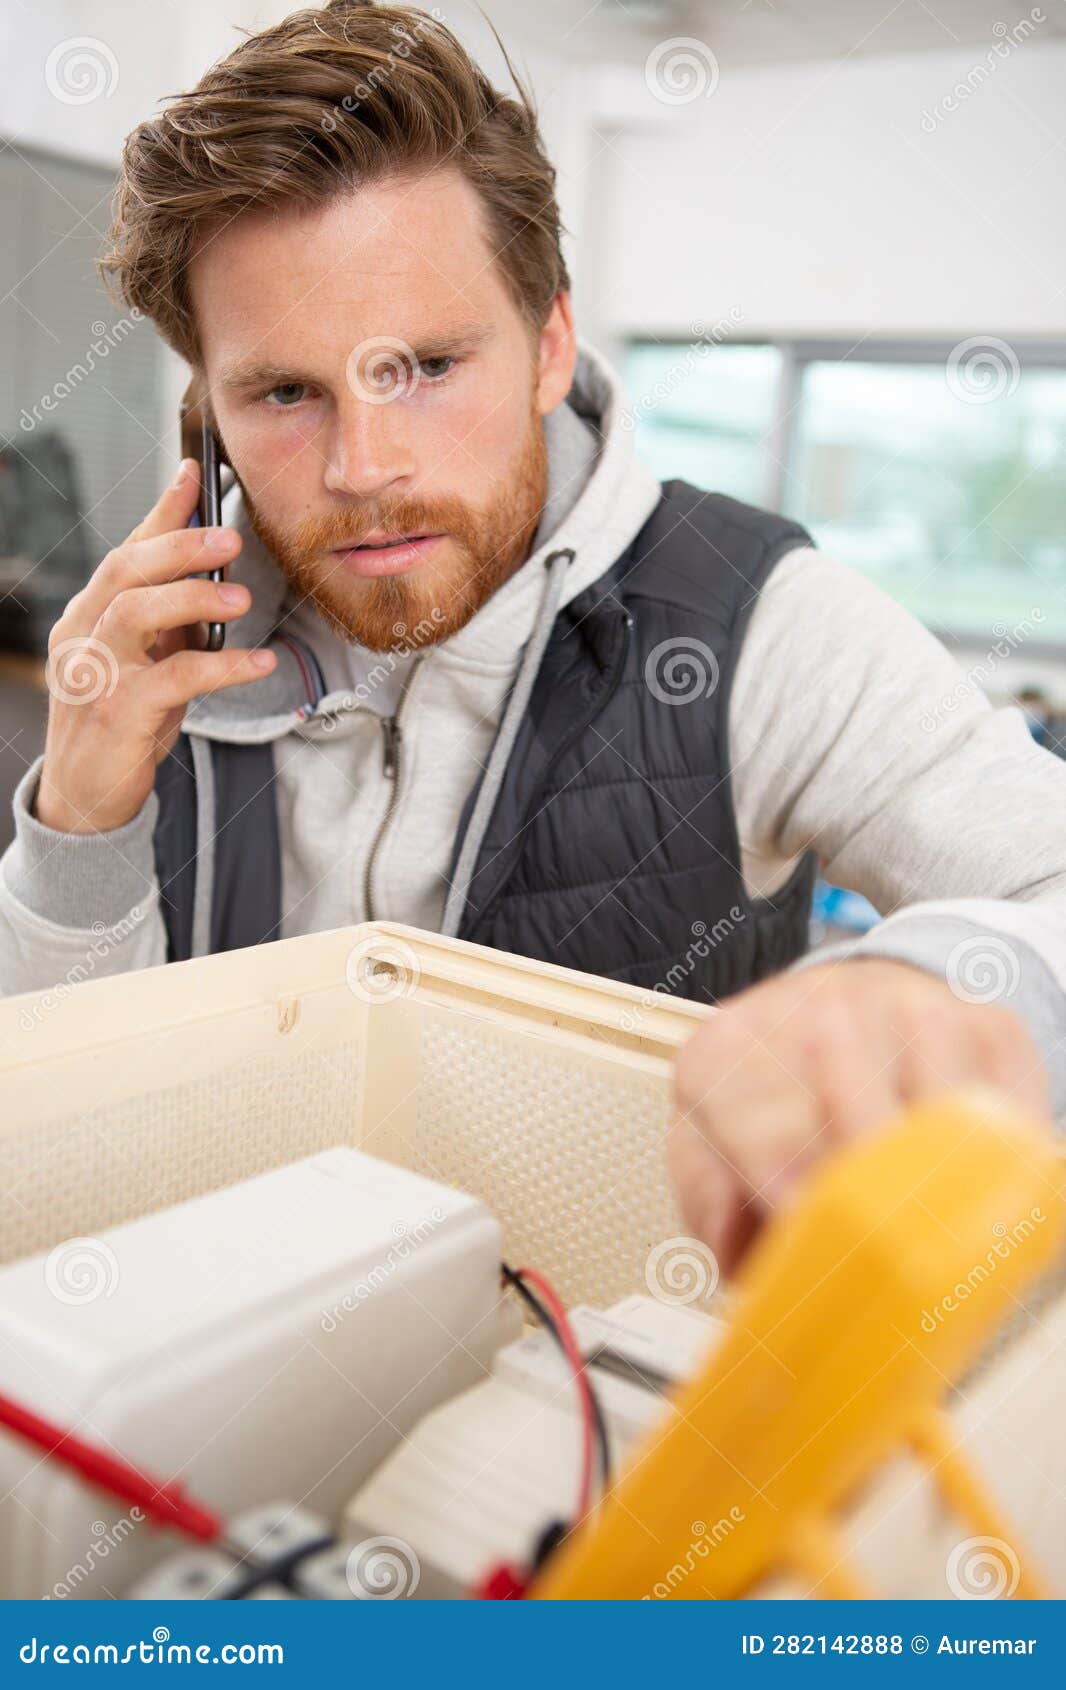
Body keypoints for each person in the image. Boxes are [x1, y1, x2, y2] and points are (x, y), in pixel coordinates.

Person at [2, 1, 1063, 1270]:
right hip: (222, 1353)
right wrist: (77, 830)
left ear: (550, 343)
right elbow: (63, 1143)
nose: (364, 467)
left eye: (431, 367)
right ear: (210, 409)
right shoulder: (161, 648)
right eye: (284, 392)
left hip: (599, 1401)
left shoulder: (755, 616)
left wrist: (933, 988)